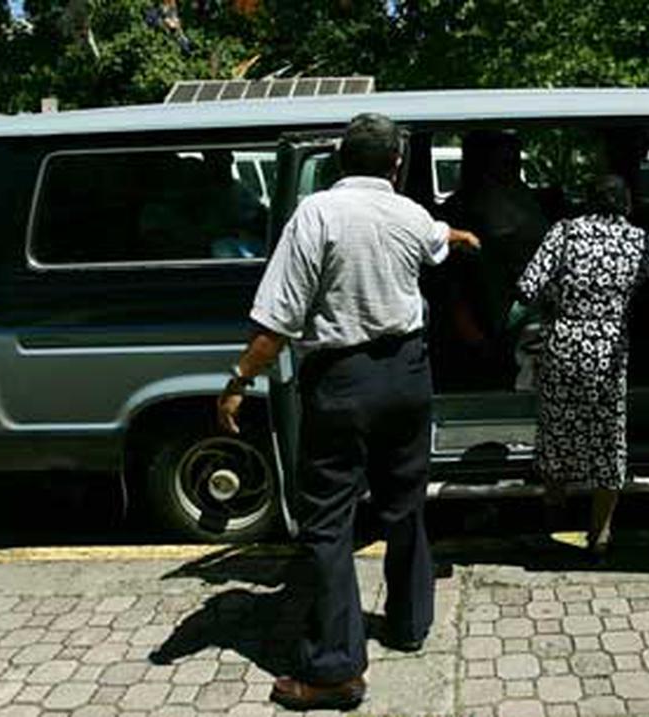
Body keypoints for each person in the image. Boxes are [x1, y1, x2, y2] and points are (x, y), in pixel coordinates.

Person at [217, 113, 479, 711]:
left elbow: (277, 321)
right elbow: (440, 238)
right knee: (404, 503)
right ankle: (409, 624)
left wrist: (238, 380)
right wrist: (466, 238)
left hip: (342, 382)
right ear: (397, 164)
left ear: (340, 160)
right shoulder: (409, 213)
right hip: (408, 376)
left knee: (329, 522)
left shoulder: (315, 215)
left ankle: (335, 670)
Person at [516, 174, 649, 558]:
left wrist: (560, 295)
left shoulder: (564, 232)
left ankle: (553, 517)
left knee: (557, 433)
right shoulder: (640, 239)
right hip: (608, 352)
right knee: (608, 442)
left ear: (587, 201)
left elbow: (526, 287)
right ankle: (600, 535)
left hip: (562, 344)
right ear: (627, 204)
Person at [436, 131, 549, 389]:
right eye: (505, 164)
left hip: (527, 306)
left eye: (514, 164)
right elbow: (452, 280)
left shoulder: (527, 199)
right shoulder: (464, 209)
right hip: (486, 309)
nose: (511, 171)